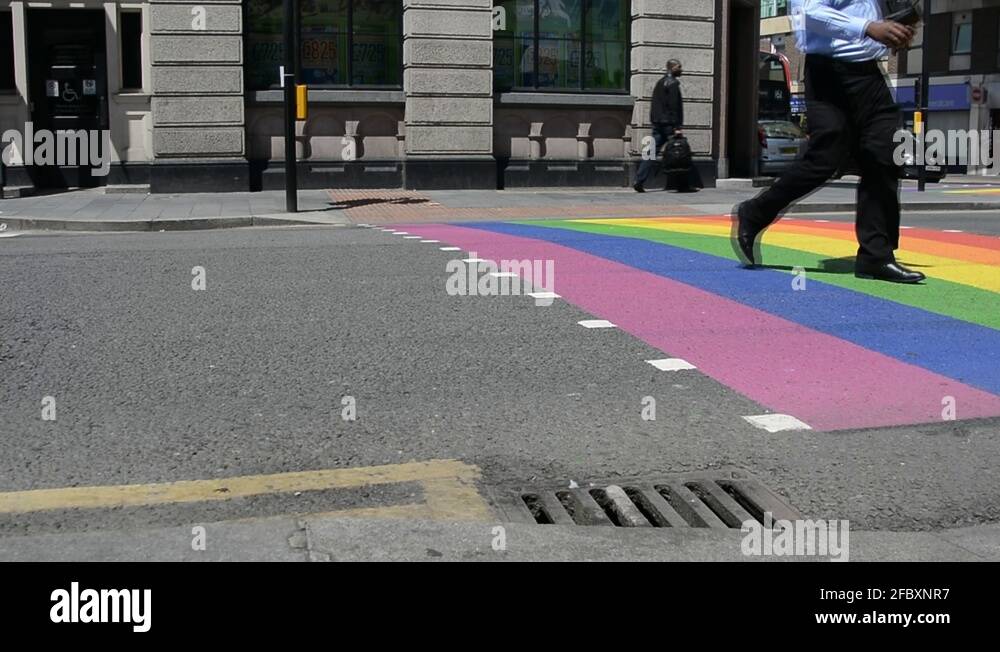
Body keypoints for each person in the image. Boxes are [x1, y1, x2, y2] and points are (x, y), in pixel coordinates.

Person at [734, 0, 923, 283]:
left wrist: (894, 32)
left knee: (884, 156)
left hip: (869, 73)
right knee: (825, 158)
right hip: (828, 75)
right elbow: (809, 12)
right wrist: (870, 28)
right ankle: (755, 212)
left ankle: (877, 256)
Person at [634, 59, 685, 192]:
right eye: (679, 67)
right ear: (672, 68)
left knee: (651, 152)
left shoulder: (660, 83)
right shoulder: (673, 83)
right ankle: (680, 183)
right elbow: (673, 106)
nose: (681, 69)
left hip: (658, 124)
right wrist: (677, 127)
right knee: (678, 153)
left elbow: (655, 104)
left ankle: (639, 180)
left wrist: (655, 121)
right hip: (669, 125)